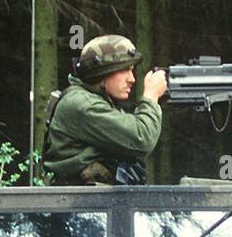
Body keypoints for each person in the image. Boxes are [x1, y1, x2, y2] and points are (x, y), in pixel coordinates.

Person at [41, 33, 167, 185]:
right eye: (124, 70)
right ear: (101, 72)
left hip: (91, 202)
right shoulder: (83, 104)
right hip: (82, 203)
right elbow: (141, 138)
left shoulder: (92, 100)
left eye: (131, 70)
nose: (132, 79)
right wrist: (151, 97)